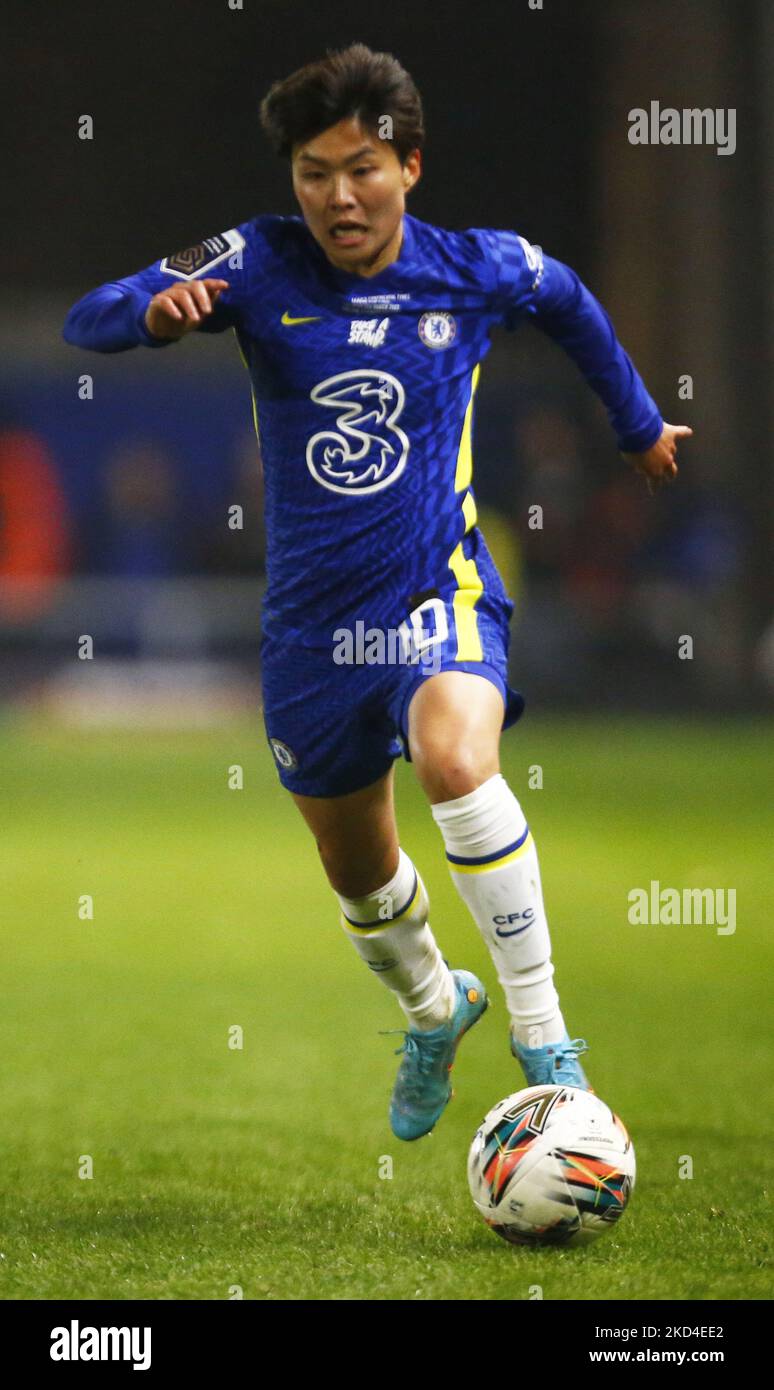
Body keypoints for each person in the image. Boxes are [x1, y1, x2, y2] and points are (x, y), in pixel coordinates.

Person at [63, 42, 692, 1142]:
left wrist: (639, 426)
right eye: (313, 171)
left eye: (361, 168)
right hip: (310, 630)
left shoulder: (476, 266)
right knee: (357, 869)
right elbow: (94, 309)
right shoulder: (256, 262)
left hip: (432, 590)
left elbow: (574, 302)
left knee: (457, 759)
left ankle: (548, 1044)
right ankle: (436, 1007)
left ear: (410, 167)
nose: (336, 196)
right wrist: (150, 318)